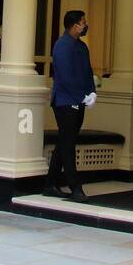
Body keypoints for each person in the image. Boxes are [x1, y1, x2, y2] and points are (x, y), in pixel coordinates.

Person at [45, 10, 97, 202]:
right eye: (83, 22)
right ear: (74, 25)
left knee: (64, 141)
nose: (85, 25)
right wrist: (81, 97)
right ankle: (75, 187)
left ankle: (50, 183)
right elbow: (65, 77)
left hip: (78, 100)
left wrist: (92, 92)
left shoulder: (82, 47)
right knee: (68, 144)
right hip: (65, 102)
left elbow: (87, 71)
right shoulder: (62, 46)